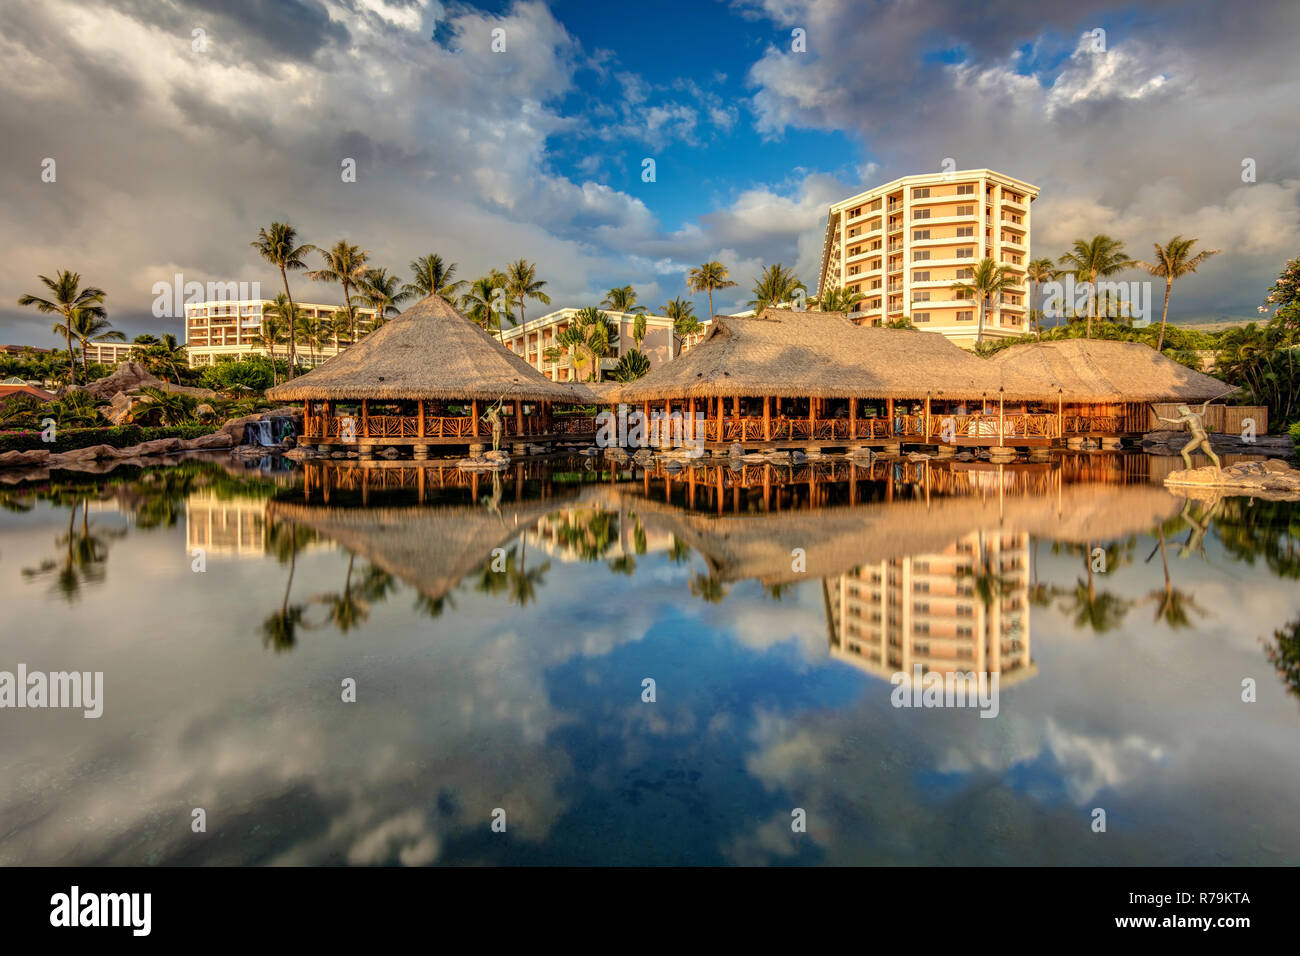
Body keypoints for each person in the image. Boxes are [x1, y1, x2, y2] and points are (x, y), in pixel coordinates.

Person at [1157, 399, 1220, 470]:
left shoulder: (1188, 417)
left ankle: (1189, 469)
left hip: (1198, 436)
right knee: (1210, 453)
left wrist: (1162, 418)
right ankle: (1219, 468)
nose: (1180, 414)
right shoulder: (1196, 415)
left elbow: (1177, 421)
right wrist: (1205, 405)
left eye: (1180, 412)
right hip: (1204, 435)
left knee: (1183, 451)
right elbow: (1203, 413)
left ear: (1185, 410)